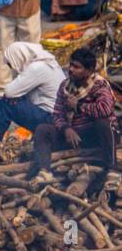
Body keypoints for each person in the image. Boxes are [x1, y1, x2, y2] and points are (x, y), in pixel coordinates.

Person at [31, 47, 116, 183]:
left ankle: (111, 169)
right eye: (71, 65)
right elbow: (57, 113)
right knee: (43, 129)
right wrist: (66, 129)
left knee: (103, 123)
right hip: (73, 136)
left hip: (93, 136)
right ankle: (45, 172)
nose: (71, 69)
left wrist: (78, 106)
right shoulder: (65, 86)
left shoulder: (99, 86)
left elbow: (105, 109)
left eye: (77, 67)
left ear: (88, 71)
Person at [0, 42, 65, 149]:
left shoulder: (37, 68)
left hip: (51, 118)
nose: (12, 68)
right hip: (56, 116)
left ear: (18, 57)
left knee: (6, 103)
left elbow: (9, 92)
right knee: (17, 98)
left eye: (11, 64)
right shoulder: (47, 62)